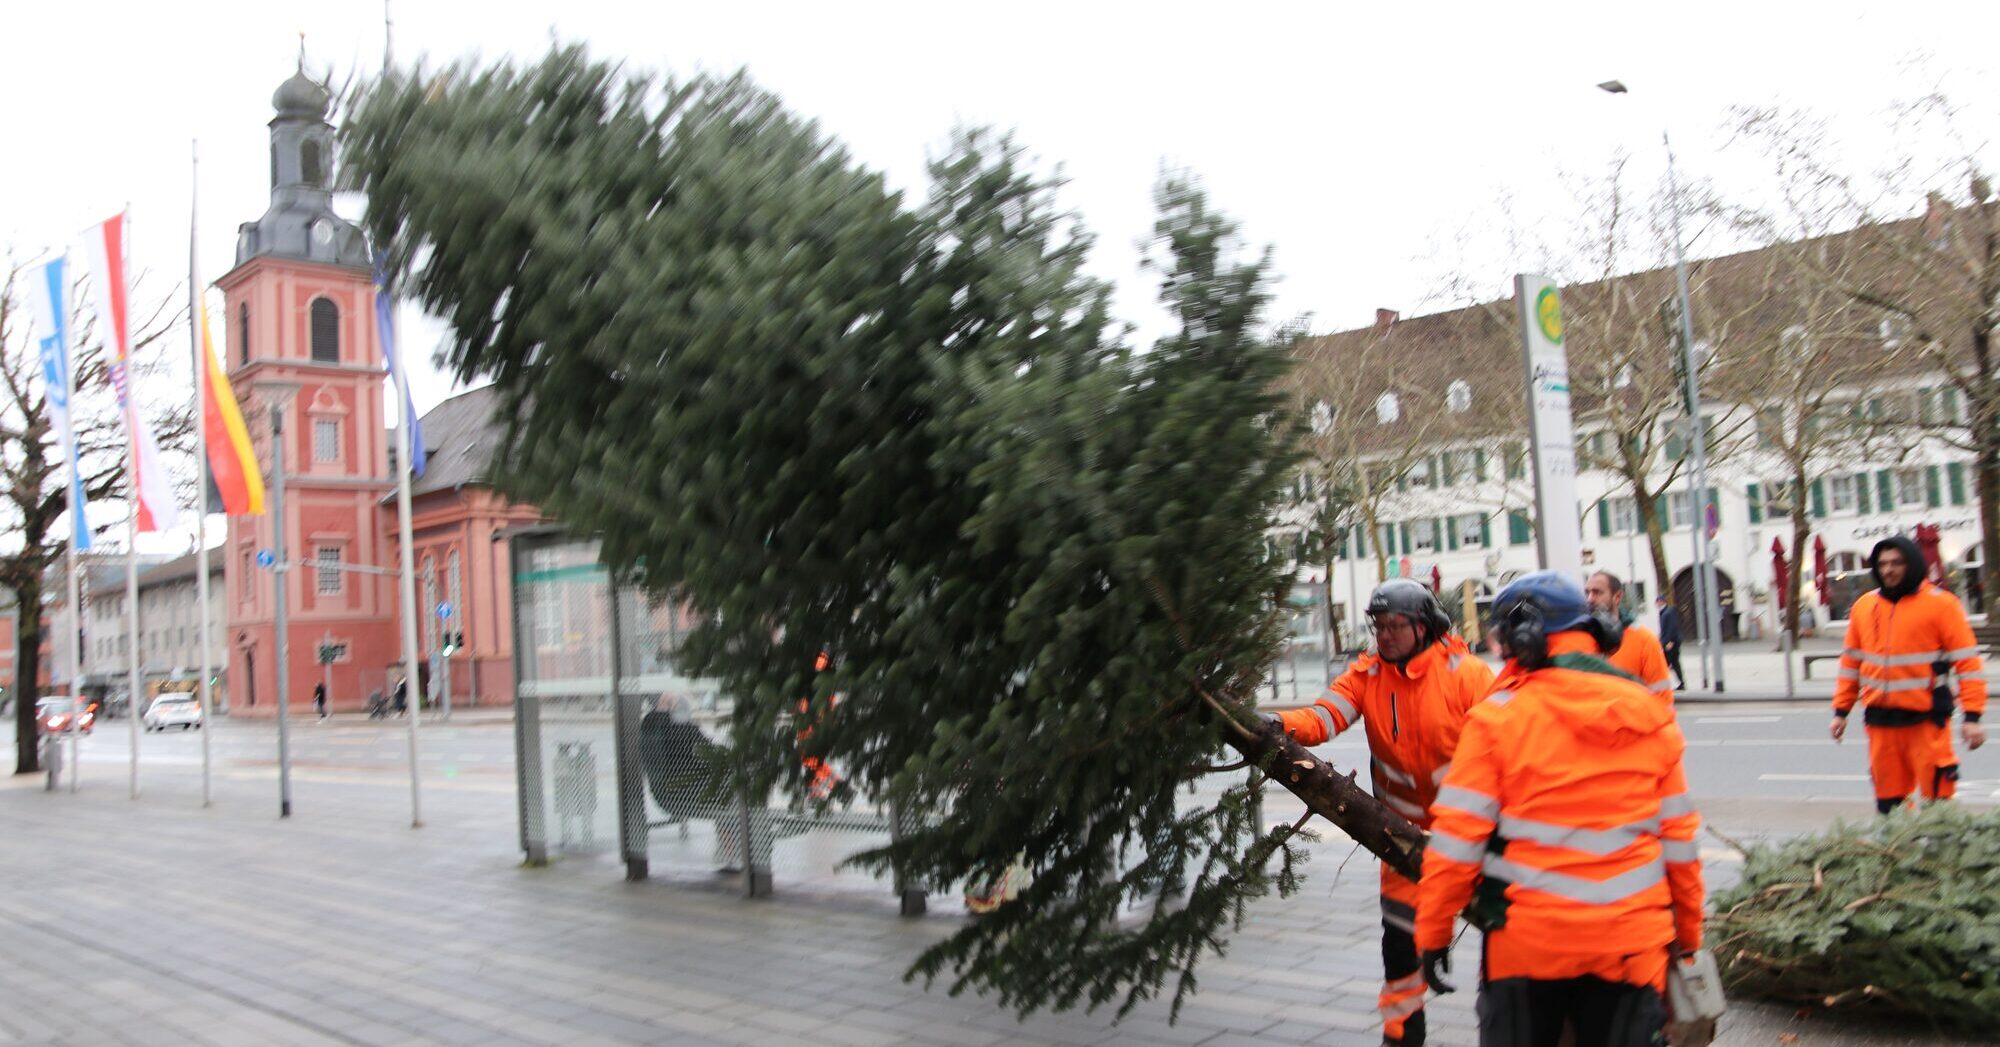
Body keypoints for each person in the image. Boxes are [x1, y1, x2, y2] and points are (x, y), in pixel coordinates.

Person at [1416, 571, 1704, 1046]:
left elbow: (1455, 844)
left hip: (1527, 951)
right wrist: (1688, 938)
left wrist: (1433, 932)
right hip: (1631, 948)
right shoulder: (1650, 713)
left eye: (1501, 638)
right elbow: (1679, 842)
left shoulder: (1498, 719)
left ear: (1524, 636)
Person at [1266, 579, 1496, 1047]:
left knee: (1503, 940)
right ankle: (1401, 1036)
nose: (1385, 635)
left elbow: (1505, 747)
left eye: (1396, 625)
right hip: (1402, 839)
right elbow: (1323, 718)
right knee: (1399, 952)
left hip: (1472, 838)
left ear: (1425, 626)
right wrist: (1276, 725)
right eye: (1379, 626)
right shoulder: (1368, 676)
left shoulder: (1467, 675)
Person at [1830, 535, 1987, 814]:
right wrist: (1841, 710)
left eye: (1897, 563)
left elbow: (1968, 665)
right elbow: (1850, 664)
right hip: (1881, 723)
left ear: (1912, 564)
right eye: (1883, 564)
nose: (1888, 569)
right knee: (1890, 806)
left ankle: (1939, 857)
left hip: (1926, 720)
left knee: (1938, 806)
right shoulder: (1864, 607)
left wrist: (1972, 716)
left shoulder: (1943, 605)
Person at [1583, 571, 1674, 704]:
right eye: (1587, 593)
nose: (1590, 599)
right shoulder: (1580, 638)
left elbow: (1662, 697)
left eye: (1597, 592)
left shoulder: (1644, 640)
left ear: (1617, 597)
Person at [1654, 595, 1685, 690]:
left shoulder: (1668, 613)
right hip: (1671, 641)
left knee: (1664, 664)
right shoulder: (1665, 612)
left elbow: (1671, 628)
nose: (1657, 604)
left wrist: (1668, 642)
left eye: (1658, 602)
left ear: (1662, 602)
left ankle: (1662, 685)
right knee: (1674, 663)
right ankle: (1682, 683)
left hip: (1671, 643)